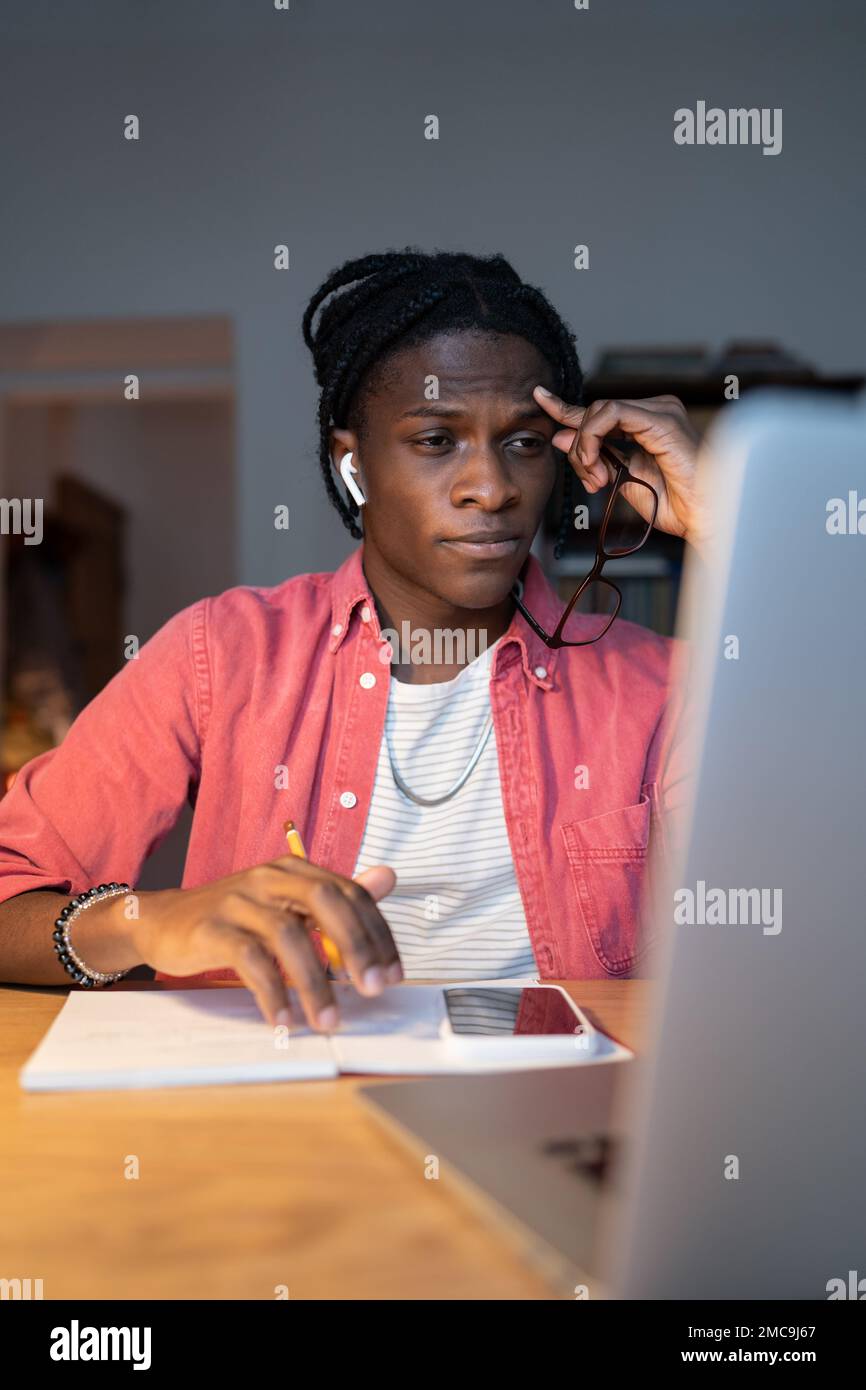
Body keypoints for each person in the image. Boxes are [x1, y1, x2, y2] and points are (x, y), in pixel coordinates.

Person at [0, 249, 706, 1032]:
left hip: (557, 1124)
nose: (493, 487)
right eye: (437, 440)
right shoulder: (222, 654)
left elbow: (813, 915)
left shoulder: (661, 687)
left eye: (525, 442)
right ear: (353, 467)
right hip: (290, 1126)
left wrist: (734, 531)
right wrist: (149, 920)